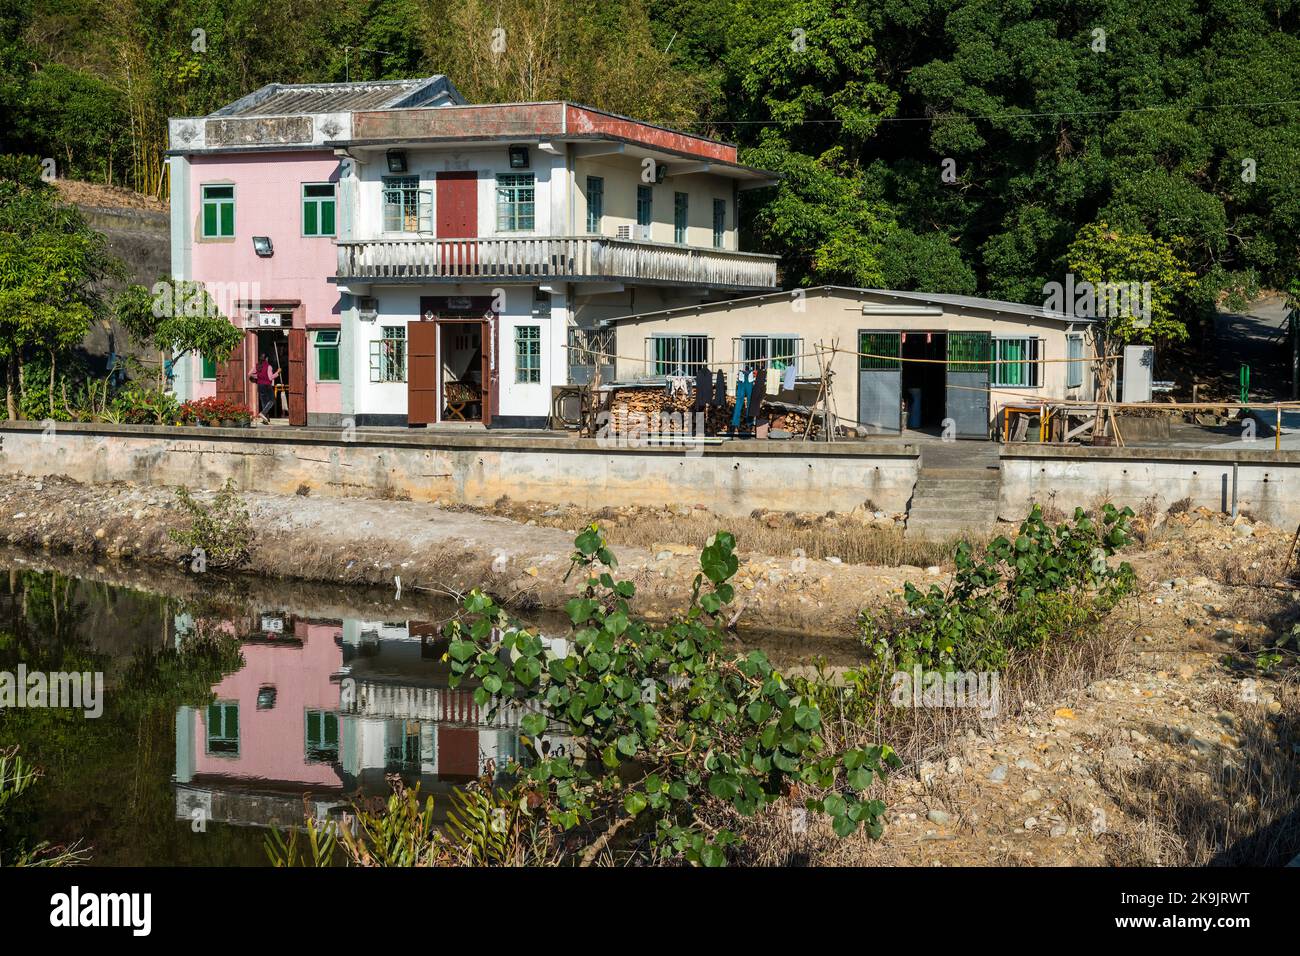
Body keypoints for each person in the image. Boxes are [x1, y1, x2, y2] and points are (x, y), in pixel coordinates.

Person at [253, 353, 279, 423]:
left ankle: (266, 420)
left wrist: (257, 377)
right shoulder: (269, 366)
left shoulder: (257, 366)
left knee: (264, 402)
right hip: (267, 385)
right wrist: (277, 372)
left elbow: (250, 374)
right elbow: (270, 378)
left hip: (260, 385)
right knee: (272, 400)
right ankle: (263, 413)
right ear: (267, 358)